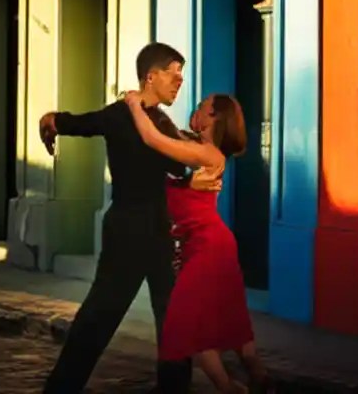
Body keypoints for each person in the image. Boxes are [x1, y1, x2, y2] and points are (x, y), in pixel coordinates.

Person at [40, 43, 217, 394]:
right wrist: (53, 121)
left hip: (161, 232)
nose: (180, 80)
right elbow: (84, 123)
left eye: (182, 73)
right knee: (100, 316)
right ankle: (61, 388)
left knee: (174, 319)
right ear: (151, 76)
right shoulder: (122, 113)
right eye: (173, 72)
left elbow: (173, 166)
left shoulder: (163, 122)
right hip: (127, 230)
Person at [123, 90, 272, 394]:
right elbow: (169, 133)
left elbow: (154, 139)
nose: (197, 108)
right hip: (207, 245)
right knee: (232, 326)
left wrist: (133, 105)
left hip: (208, 247)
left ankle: (230, 389)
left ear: (214, 117)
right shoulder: (199, 146)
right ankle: (261, 385)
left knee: (186, 325)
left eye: (203, 107)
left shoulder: (208, 155)